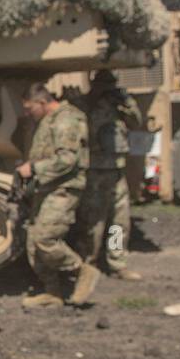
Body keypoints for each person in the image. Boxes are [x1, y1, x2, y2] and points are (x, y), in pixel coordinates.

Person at [16, 82, 99, 308]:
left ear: (42, 102)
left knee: (45, 238)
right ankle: (53, 293)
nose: (27, 113)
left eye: (29, 108)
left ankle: (82, 271)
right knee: (34, 243)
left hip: (63, 189)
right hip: (48, 187)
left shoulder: (65, 119)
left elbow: (67, 160)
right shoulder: (49, 120)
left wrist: (34, 169)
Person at [75, 70, 144, 280]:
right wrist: (93, 99)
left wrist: (126, 102)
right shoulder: (87, 104)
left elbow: (136, 122)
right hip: (94, 170)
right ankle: (89, 262)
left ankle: (117, 263)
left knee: (119, 221)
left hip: (116, 169)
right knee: (93, 222)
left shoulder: (119, 104)